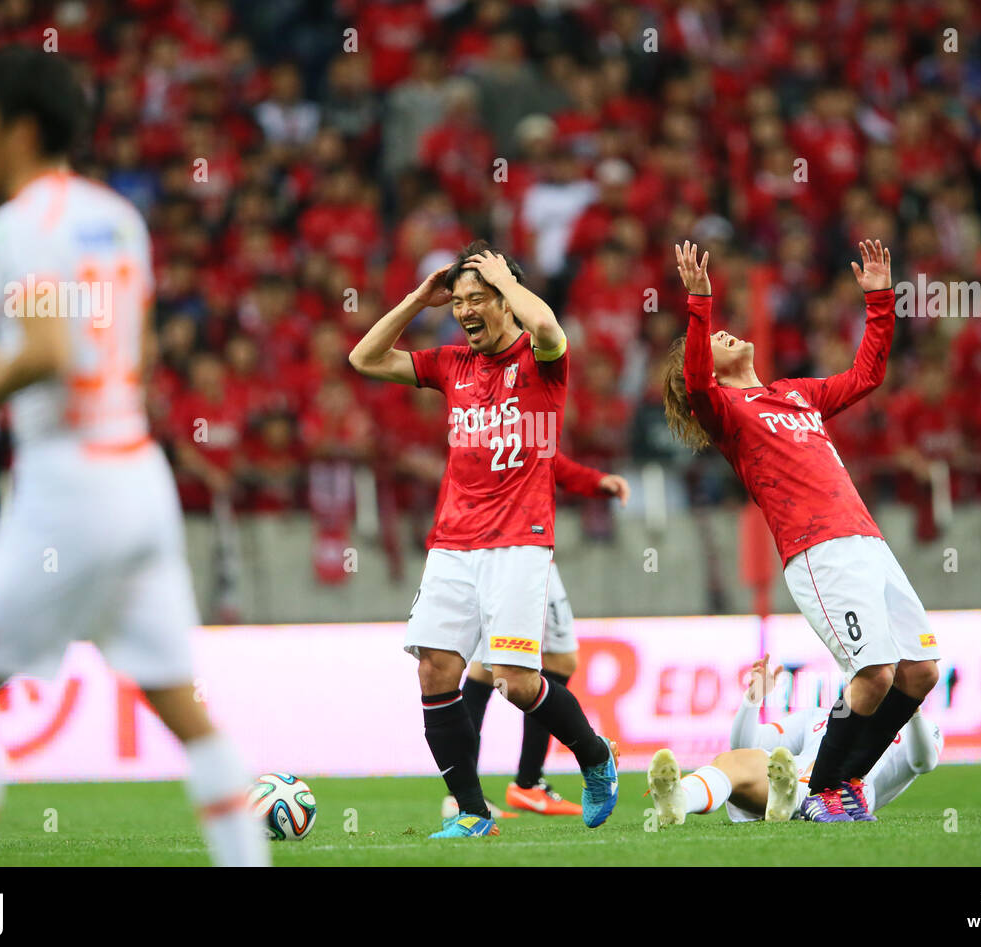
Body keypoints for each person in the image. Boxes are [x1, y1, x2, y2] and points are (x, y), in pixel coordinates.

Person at [0, 46, 265, 866]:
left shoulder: (16, 226)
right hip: (138, 476)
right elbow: (126, 349)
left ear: (20, 127)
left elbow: (48, 351)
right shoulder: (116, 215)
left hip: (69, 486)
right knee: (181, 704)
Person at [662, 239, 940, 822]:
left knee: (919, 673)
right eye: (715, 341)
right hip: (819, 550)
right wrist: (699, 303)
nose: (725, 335)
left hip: (868, 541)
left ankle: (841, 786)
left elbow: (866, 376)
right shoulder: (726, 416)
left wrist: (880, 300)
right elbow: (694, 380)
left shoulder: (794, 394)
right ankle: (825, 792)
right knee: (871, 674)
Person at [349, 240, 619, 837]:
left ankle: (595, 757)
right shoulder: (452, 365)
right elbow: (364, 358)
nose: (465, 310)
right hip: (451, 543)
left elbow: (546, 322)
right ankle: (473, 814)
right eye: (459, 301)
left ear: (506, 300)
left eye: (479, 298)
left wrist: (508, 278)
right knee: (434, 672)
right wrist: (420, 298)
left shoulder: (544, 358)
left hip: (521, 541)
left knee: (518, 682)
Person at [448, 451, 630, 819]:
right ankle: (525, 783)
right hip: (519, 545)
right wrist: (593, 480)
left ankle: (468, 794)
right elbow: (538, 453)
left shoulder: (491, 412)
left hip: (498, 542)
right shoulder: (513, 407)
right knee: (549, 660)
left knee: (490, 666)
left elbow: (537, 455)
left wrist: (593, 481)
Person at [646, 655, 943, 826]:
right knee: (732, 761)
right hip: (790, 779)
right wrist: (752, 701)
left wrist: (910, 711)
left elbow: (922, 762)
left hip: (835, 798)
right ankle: (678, 799)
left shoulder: (920, 728)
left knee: (776, 775)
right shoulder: (824, 717)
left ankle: (787, 801)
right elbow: (744, 743)